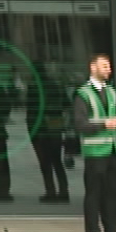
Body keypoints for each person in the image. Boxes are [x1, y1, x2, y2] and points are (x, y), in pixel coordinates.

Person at [72, 52, 116, 232]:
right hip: (95, 152)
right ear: (93, 67)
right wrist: (106, 124)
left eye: (109, 66)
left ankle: (112, 228)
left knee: (113, 191)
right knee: (94, 193)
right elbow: (80, 124)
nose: (109, 70)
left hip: (113, 149)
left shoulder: (112, 91)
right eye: (105, 66)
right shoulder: (83, 93)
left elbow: (113, 120)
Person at [31, 67, 71, 203]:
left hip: (41, 129)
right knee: (56, 160)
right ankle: (63, 190)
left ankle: (51, 191)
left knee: (45, 162)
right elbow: (67, 104)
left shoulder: (35, 88)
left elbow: (32, 110)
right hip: (55, 128)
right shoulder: (56, 87)